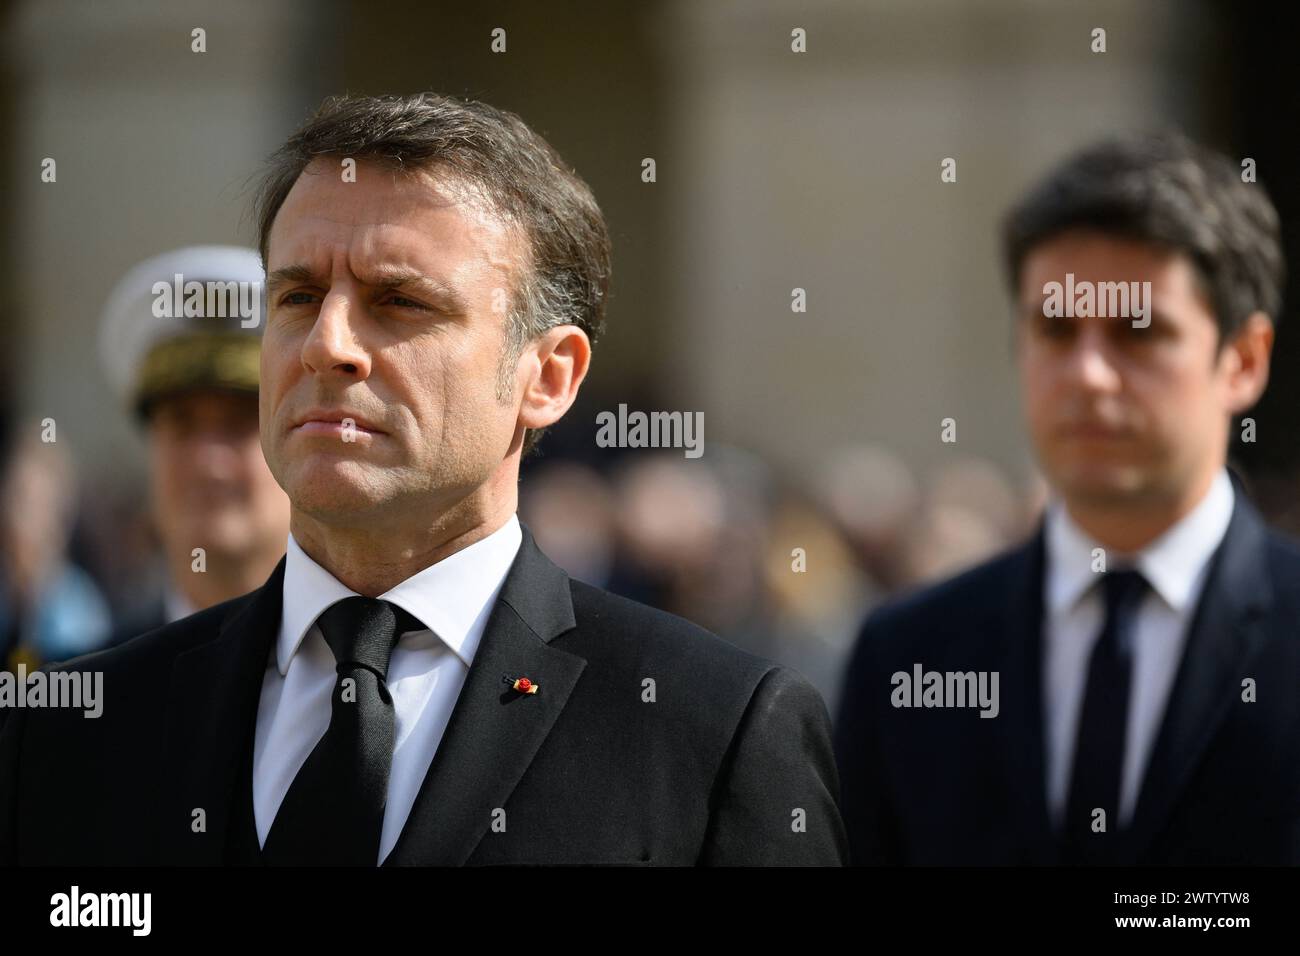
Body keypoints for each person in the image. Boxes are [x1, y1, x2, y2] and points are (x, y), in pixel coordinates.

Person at [0, 92, 846, 866]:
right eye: (296, 297)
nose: (328, 343)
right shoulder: (78, 724)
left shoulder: (710, 731)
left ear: (547, 377)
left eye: (400, 302)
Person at [834, 131, 1299, 865]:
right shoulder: (908, 654)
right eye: (1056, 329)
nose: (1088, 374)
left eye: (1137, 331)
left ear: (1242, 361)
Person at [98, 246, 291, 643]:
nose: (208, 462)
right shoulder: (85, 687)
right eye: (182, 425)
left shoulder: (354, 677)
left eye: (240, 422)